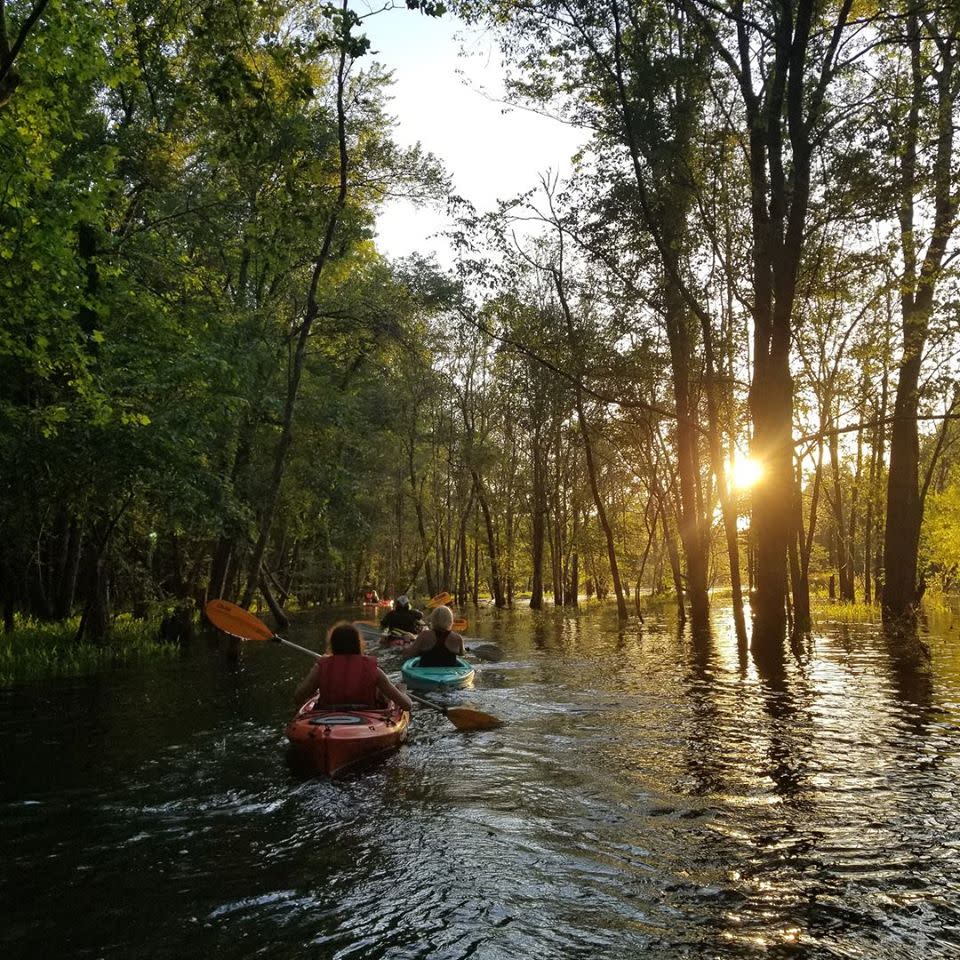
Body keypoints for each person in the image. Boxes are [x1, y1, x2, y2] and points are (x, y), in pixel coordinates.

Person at [294, 622, 412, 711]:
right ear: (357, 644)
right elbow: (407, 706)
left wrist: (316, 669)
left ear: (333, 645)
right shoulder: (373, 670)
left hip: (326, 722)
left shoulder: (320, 669)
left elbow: (298, 698)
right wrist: (402, 692)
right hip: (367, 724)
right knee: (385, 694)